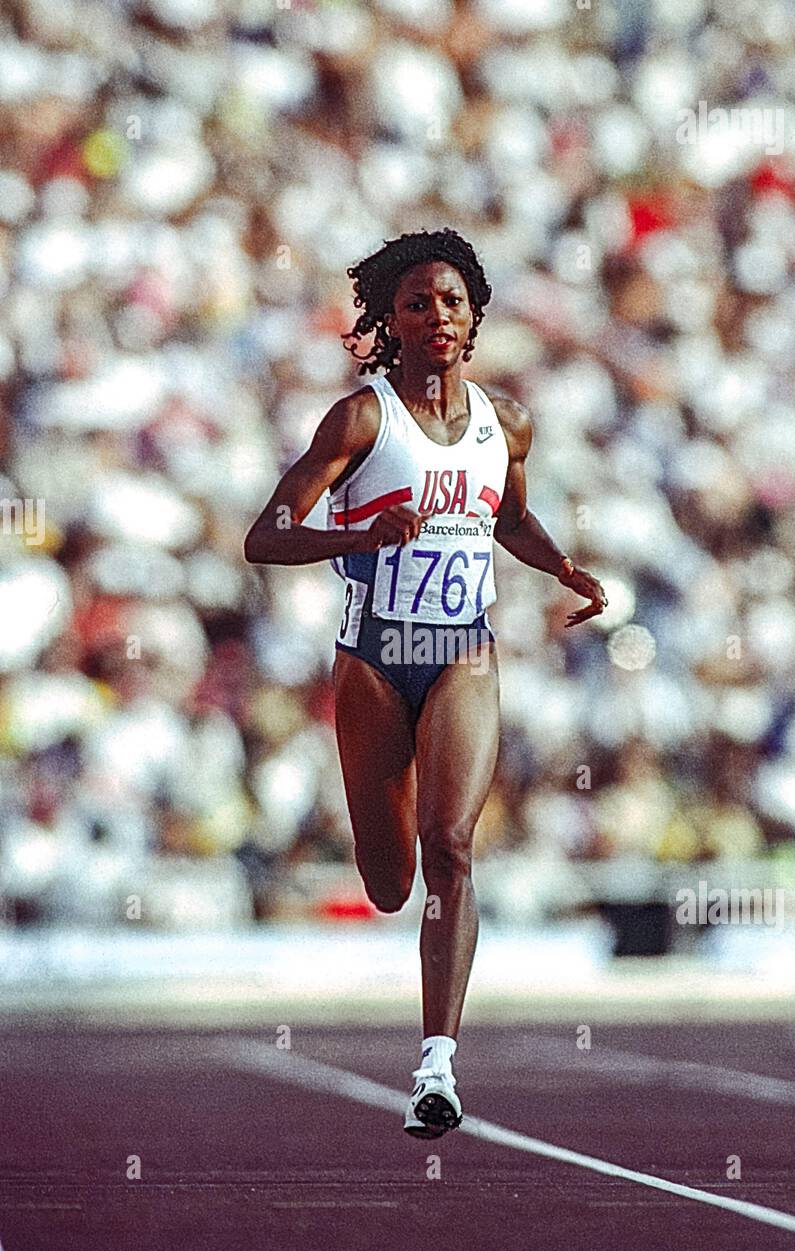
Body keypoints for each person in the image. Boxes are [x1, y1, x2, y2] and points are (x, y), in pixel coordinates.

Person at [244, 228, 607, 1138]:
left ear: (473, 314)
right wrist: (357, 536)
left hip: (463, 655)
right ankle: (391, 824)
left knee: (452, 845)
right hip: (371, 660)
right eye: (417, 303)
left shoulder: (507, 421)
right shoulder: (360, 421)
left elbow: (509, 518)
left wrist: (563, 568)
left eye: (451, 301)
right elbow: (267, 535)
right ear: (390, 321)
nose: (436, 316)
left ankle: (436, 1067)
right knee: (390, 880)